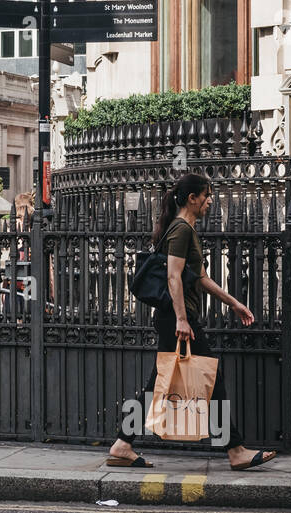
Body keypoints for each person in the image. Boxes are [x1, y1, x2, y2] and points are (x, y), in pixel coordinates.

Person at [107, 173, 277, 472]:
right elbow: (173, 276)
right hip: (177, 318)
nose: (210, 200)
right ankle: (235, 450)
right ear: (192, 198)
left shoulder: (185, 229)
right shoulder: (182, 229)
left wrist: (233, 303)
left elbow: (198, 278)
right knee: (210, 379)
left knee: (162, 383)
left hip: (176, 316)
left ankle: (123, 444)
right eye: (206, 195)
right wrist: (183, 320)